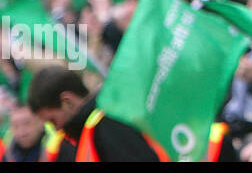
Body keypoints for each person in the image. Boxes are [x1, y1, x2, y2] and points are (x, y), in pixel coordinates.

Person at [27, 66, 166, 162]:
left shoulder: (107, 125)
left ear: (67, 101)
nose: (56, 129)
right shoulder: (90, 131)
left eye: (53, 120)